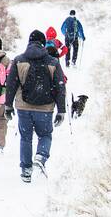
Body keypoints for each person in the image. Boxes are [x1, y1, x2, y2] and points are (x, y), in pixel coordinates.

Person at [5, 29, 68, 182]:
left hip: (23, 107)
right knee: (45, 135)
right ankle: (40, 156)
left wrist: (8, 105)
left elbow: (11, 84)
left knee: (25, 138)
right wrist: (61, 110)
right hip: (45, 108)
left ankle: (26, 171)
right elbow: (60, 86)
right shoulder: (52, 62)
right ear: (43, 43)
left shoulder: (19, 60)